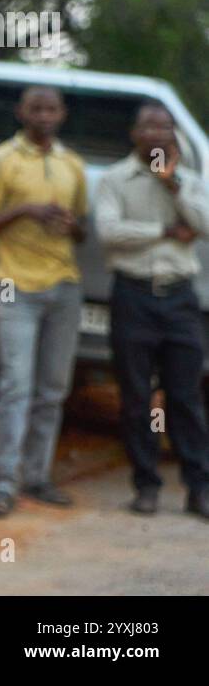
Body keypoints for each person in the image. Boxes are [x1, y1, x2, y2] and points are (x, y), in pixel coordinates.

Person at [0, 87, 87, 516]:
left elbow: (83, 232)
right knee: (15, 385)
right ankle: (4, 484)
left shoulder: (72, 165)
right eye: (35, 108)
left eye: (51, 109)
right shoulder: (1, 160)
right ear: (21, 112)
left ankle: (37, 477)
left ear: (62, 114)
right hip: (13, 284)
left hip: (64, 286)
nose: (43, 115)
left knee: (53, 389)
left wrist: (72, 226)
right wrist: (24, 211)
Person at [94, 102, 209, 520]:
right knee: (135, 398)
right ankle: (146, 485)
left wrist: (173, 184)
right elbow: (109, 233)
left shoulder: (192, 181)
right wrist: (164, 232)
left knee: (185, 396)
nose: (157, 134)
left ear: (173, 135)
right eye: (149, 126)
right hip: (133, 297)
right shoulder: (113, 179)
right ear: (134, 133)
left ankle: (199, 488)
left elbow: (206, 225)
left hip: (180, 299)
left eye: (165, 127)